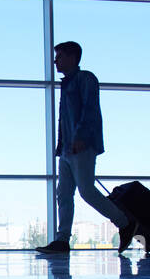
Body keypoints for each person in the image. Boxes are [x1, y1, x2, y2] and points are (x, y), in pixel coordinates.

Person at [36, 41, 138, 256]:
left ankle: (124, 222)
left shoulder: (86, 79)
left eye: (60, 56)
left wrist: (80, 137)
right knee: (63, 194)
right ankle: (62, 240)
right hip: (67, 150)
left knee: (86, 191)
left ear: (72, 57)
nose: (56, 61)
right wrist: (63, 145)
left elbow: (90, 110)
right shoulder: (68, 83)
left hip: (81, 146)